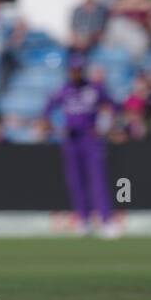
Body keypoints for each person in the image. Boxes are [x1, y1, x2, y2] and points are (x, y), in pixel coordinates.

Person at [44, 54, 118, 238]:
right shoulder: (65, 90)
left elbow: (112, 106)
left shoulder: (94, 89)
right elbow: (48, 109)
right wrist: (56, 127)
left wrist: (104, 125)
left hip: (90, 139)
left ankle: (106, 221)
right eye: (73, 70)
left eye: (78, 70)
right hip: (71, 139)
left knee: (98, 180)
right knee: (76, 181)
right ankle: (83, 221)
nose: (76, 73)